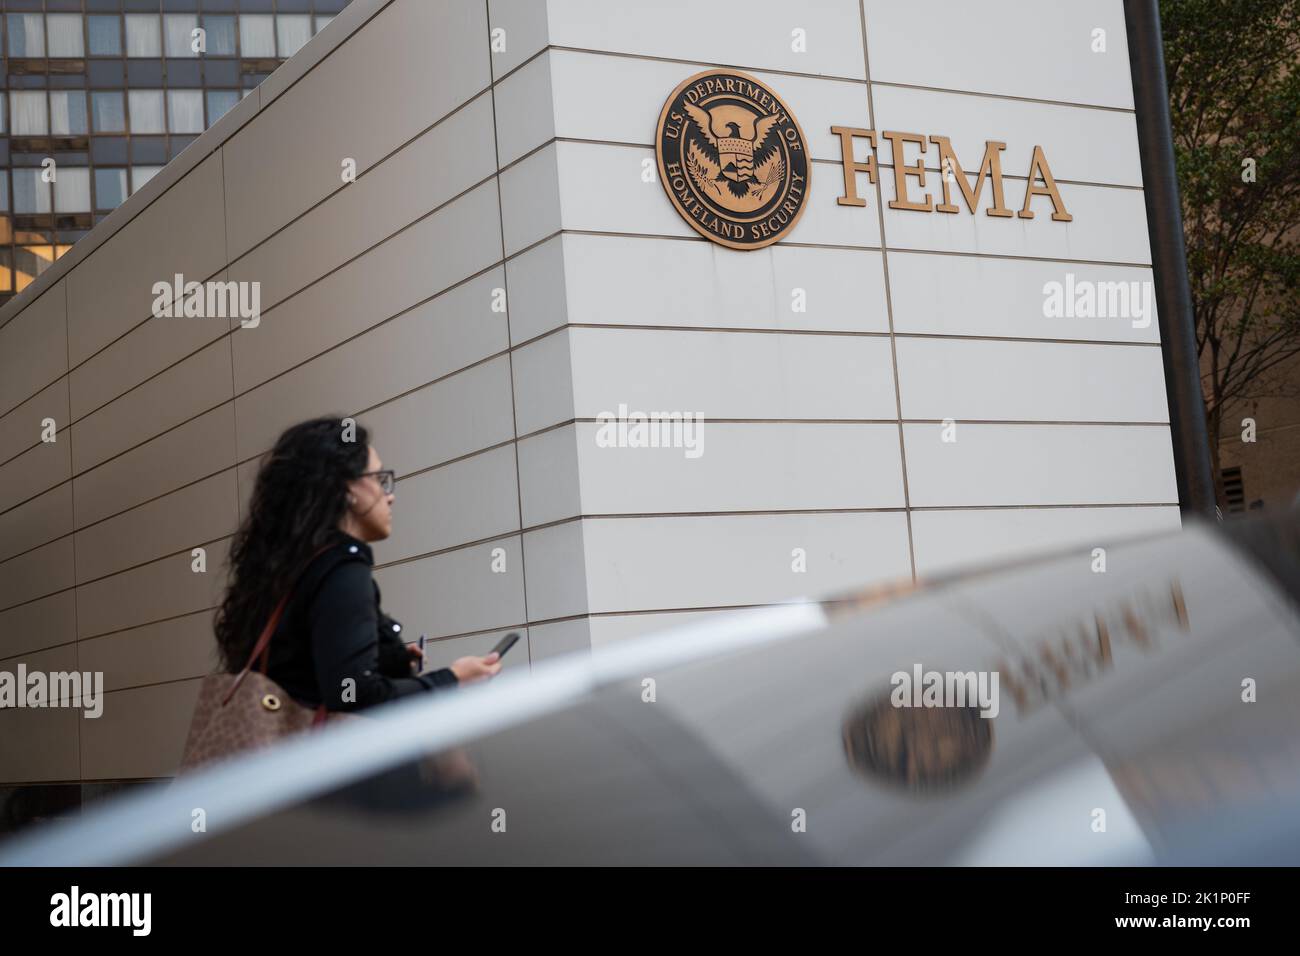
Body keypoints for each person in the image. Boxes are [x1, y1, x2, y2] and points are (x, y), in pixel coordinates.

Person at [213, 416, 501, 713]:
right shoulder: (341, 569)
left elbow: (303, 670)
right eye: (379, 479)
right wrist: (452, 681)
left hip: (286, 754)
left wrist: (390, 658)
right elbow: (352, 694)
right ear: (347, 488)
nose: (389, 496)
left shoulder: (287, 566)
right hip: (331, 755)